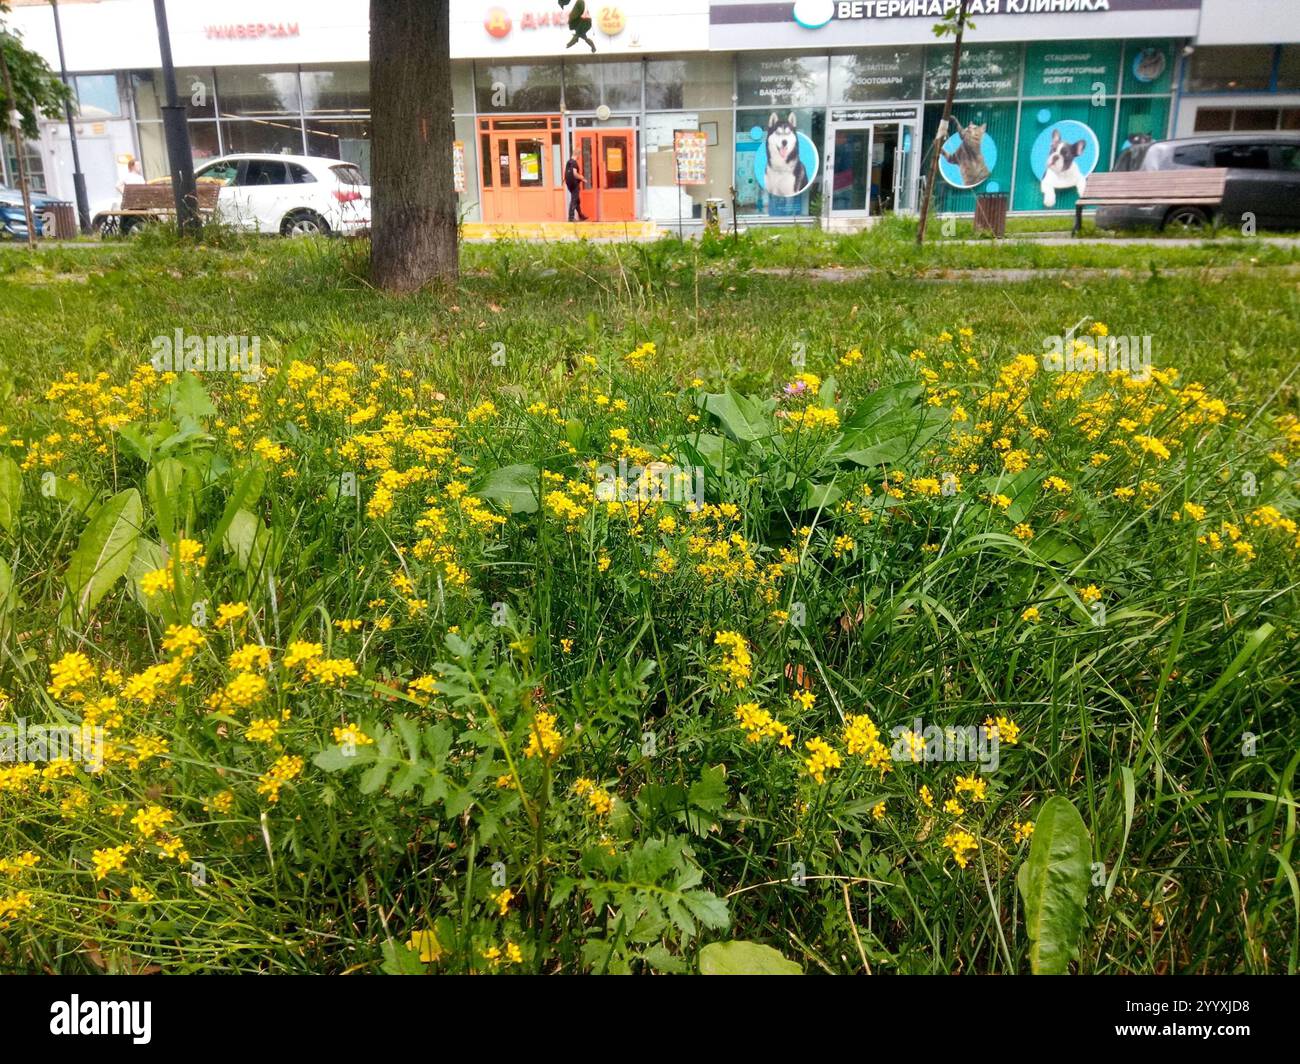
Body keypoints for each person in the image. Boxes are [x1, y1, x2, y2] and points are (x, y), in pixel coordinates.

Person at [565, 154, 587, 222]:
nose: (579, 157)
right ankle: (571, 217)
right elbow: (575, 174)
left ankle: (581, 215)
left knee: (577, 200)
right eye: (579, 155)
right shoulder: (574, 163)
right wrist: (582, 178)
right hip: (574, 184)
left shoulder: (568, 162)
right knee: (574, 200)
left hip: (569, 184)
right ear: (577, 154)